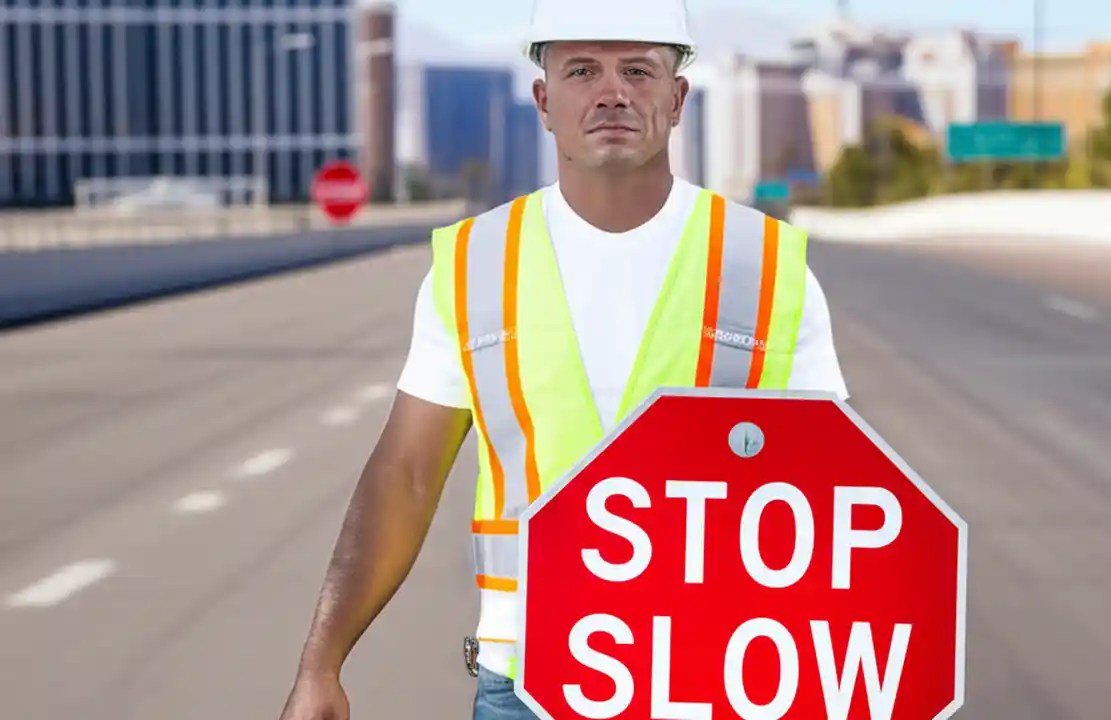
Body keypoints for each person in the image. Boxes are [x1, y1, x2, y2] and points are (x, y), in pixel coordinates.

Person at [278, 0, 848, 718]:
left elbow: (838, 498)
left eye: (637, 70)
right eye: (582, 69)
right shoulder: (474, 266)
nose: (612, 91)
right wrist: (321, 664)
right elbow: (407, 475)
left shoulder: (769, 270)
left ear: (677, 99)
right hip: (525, 685)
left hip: (720, 678)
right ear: (545, 101)